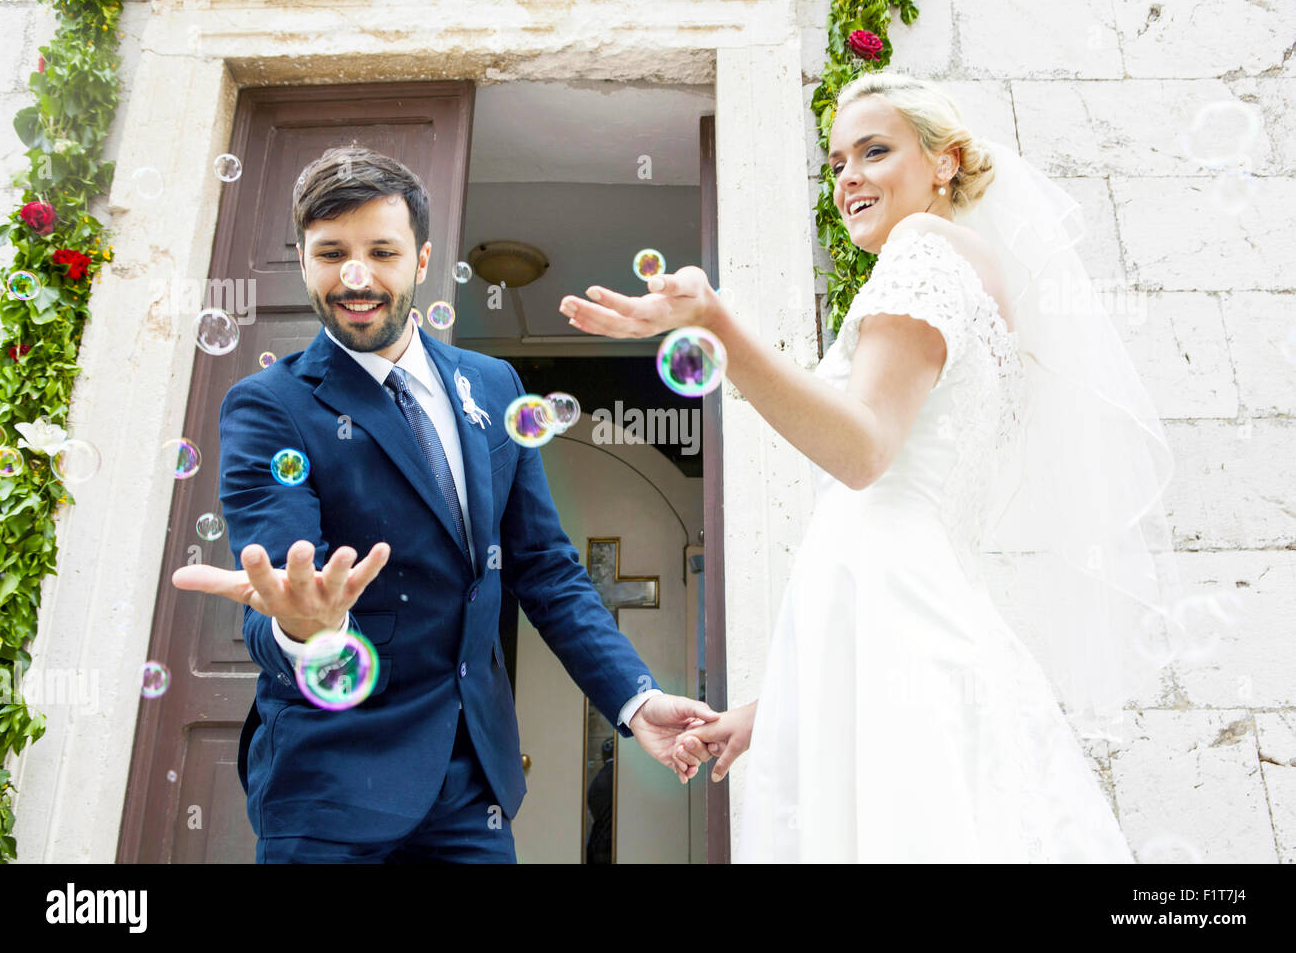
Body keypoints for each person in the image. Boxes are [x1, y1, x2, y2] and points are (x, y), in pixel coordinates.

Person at [562, 72, 1178, 861]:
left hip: (891, 612)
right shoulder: (976, 275)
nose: (848, 176)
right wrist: (772, 708)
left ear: (946, 161)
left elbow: (863, 453)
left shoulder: (923, 252)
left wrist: (715, 322)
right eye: (836, 161)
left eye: (874, 151)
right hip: (899, 617)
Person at [170, 145, 717, 863]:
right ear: (303, 261)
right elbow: (281, 587)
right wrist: (308, 632)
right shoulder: (269, 408)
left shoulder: (492, 384)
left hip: (472, 788)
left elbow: (546, 568)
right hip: (329, 788)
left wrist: (634, 699)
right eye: (330, 253)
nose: (355, 276)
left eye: (382, 251)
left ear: (422, 260)